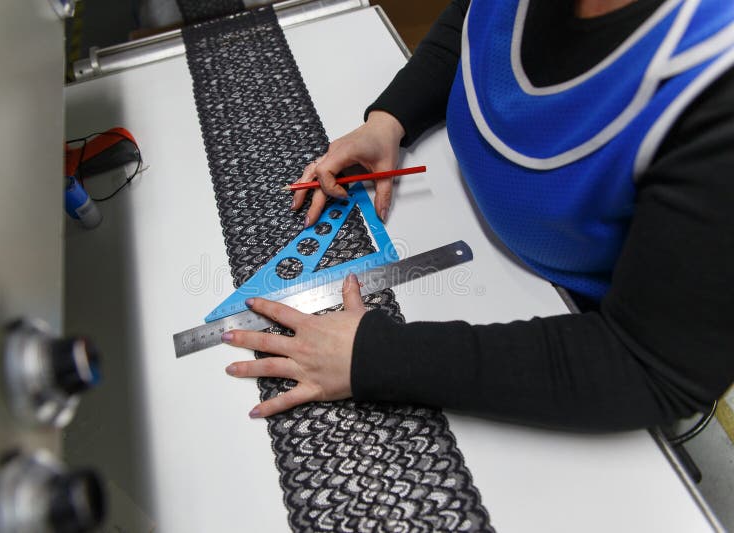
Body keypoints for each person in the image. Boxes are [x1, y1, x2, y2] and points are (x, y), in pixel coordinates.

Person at [220, 0, 734, 431]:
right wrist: (392, 117)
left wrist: (378, 358)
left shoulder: (715, 83)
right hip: (456, 224)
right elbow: (475, 26)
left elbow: (654, 369)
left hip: (569, 326)